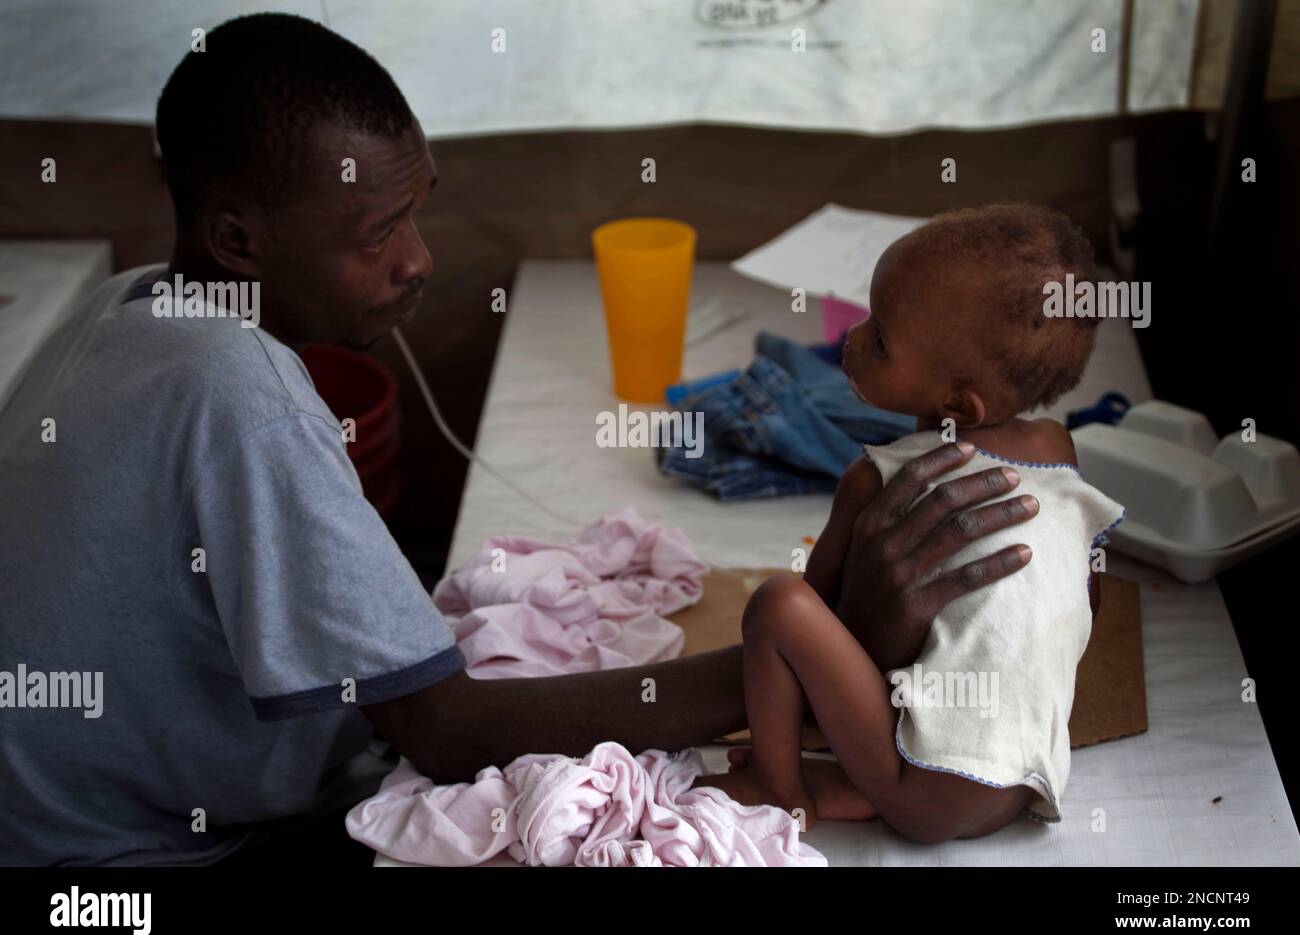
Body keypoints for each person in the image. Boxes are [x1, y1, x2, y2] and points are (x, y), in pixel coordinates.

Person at [0, 15, 1038, 865]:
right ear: (237, 240)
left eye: (418, 213)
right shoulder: (239, 394)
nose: (418, 260)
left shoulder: (126, 309)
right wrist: (810, 655)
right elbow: (443, 730)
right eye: (377, 237)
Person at [696, 205, 1125, 843]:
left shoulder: (875, 479)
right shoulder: (1060, 449)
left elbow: (823, 627)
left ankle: (778, 787)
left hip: (927, 792)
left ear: (956, 404)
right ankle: (864, 786)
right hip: (1029, 776)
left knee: (778, 605)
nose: (853, 339)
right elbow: (1083, 599)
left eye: (881, 341)